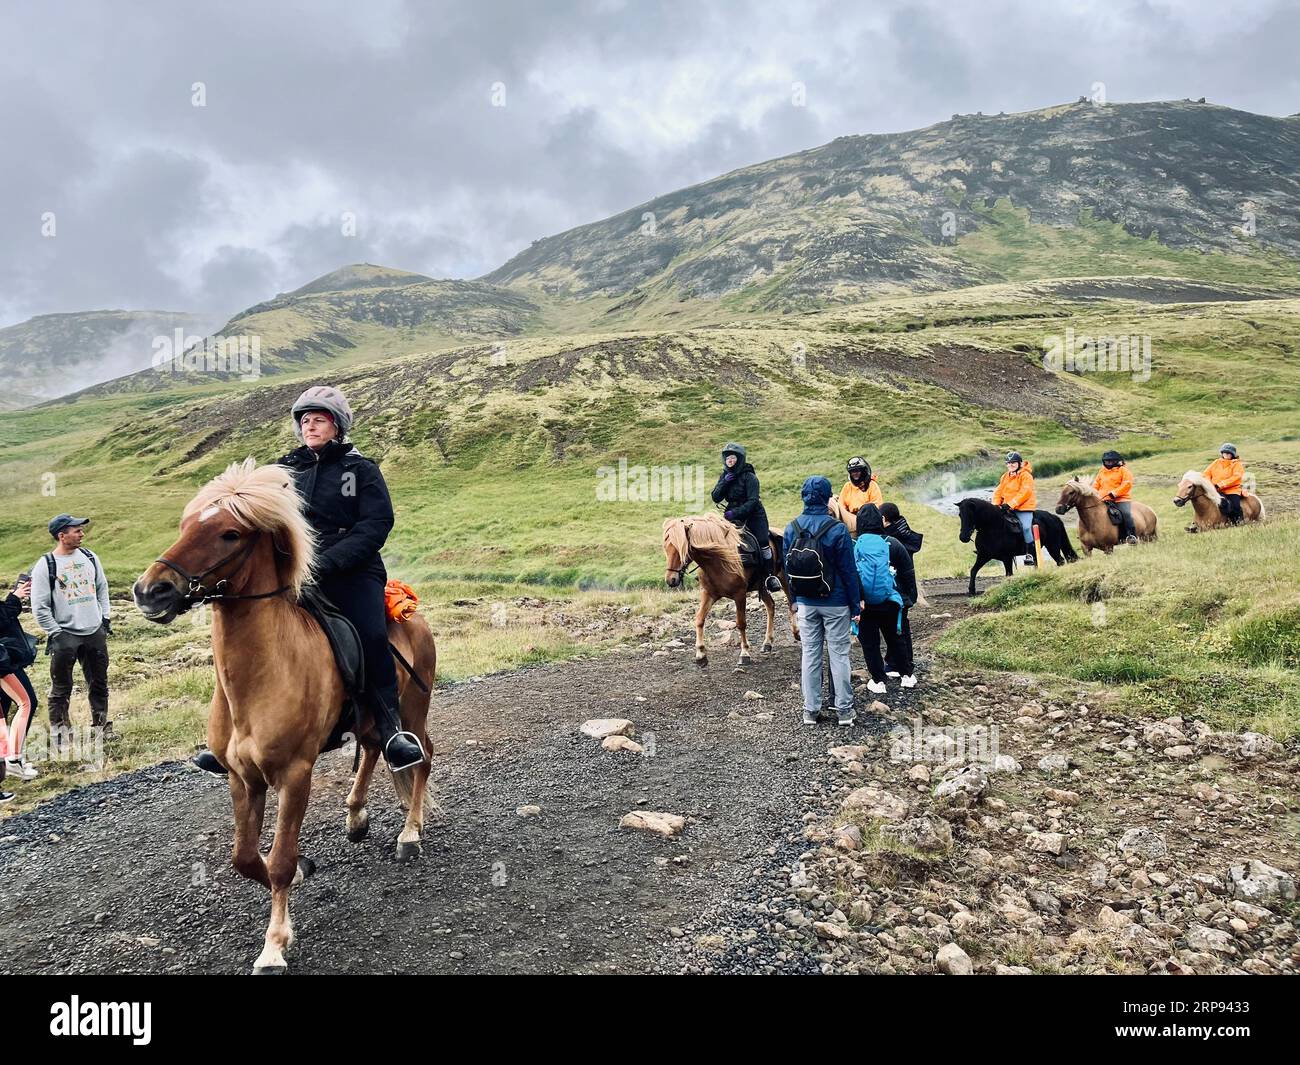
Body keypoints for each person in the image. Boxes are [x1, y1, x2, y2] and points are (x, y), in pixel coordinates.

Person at [194, 386, 424, 777]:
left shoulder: (360, 471)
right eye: (304, 420)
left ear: (337, 426)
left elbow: (374, 525)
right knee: (242, 637)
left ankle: (390, 730)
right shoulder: (284, 472)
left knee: (370, 635)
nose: (309, 426)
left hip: (352, 573)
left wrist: (325, 563)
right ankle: (227, 737)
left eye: (318, 419)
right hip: (291, 576)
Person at [782, 477, 861, 726]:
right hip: (835, 601)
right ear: (828, 498)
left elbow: (786, 569)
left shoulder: (790, 528)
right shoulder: (837, 529)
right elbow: (849, 570)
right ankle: (844, 711)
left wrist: (793, 600)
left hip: (805, 602)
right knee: (839, 655)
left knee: (810, 654)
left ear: (804, 497)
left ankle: (810, 710)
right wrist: (855, 601)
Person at [31, 515, 112, 746]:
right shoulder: (46, 564)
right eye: (76, 530)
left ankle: (102, 727)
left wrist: (104, 619)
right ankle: (61, 734)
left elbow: (102, 588)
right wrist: (55, 632)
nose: (81, 534)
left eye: (80, 530)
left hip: (94, 631)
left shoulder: (90, 557)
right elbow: (39, 605)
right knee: (61, 687)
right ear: (61, 535)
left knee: (99, 682)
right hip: (65, 635)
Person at [853, 505, 918, 693]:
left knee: (870, 644)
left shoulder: (854, 544)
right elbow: (908, 573)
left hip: (865, 605)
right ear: (880, 521)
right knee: (896, 639)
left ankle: (878, 681)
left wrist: (855, 601)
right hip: (890, 601)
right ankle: (907, 676)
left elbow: (850, 576)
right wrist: (908, 600)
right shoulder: (893, 543)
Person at [711, 442, 782, 593]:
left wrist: (734, 513)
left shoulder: (750, 477)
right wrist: (724, 482)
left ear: (740, 459)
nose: (730, 461)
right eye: (728, 458)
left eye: (733, 458)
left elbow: (752, 501)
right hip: (731, 513)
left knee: (763, 542)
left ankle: (770, 577)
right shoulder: (725, 476)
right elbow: (716, 497)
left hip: (754, 514)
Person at [0, 573, 39, 780]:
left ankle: (8, 760)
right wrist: (15, 597)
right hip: (2, 663)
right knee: (27, 702)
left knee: (4, 708)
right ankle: (13, 760)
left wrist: (15, 597)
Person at [879, 502, 922, 678]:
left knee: (899, 628)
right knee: (899, 626)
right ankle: (895, 660)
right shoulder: (903, 532)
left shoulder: (892, 540)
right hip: (905, 589)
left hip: (898, 590)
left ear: (884, 520)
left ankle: (901, 664)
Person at [992, 451, 1038, 565]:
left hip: (1024, 508)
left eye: (1013, 463)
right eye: (1008, 463)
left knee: (1026, 528)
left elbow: (1025, 492)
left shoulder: (1026, 475)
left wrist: (1011, 504)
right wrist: (995, 506)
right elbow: (998, 492)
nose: (1010, 465)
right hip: (1008, 508)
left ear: (1019, 463)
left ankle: (1030, 554)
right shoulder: (1005, 476)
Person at [1093, 450, 1138, 544]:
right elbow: (1096, 484)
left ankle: (1131, 535)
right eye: (1106, 461)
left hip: (1121, 499)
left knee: (1126, 513)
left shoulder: (1123, 470)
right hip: (1103, 499)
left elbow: (1127, 484)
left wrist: (1115, 493)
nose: (1108, 463)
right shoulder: (1102, 471)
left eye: (1111, 461)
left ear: (1116, 461)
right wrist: (1093, 493)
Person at [1204, 443, 1246, 525]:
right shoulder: (1216, 462)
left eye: (1228, 453)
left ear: (1232, 454)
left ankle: (1238, 521)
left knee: (1235, 505)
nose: (1226, 454)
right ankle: (1199, 522)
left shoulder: (1237, 464)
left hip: (1232, 490)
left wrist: (1220, 484)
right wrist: (1210, 484)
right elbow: (1206, 473)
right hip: (1216, 489)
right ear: (1222, 453)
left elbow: (1236, 477)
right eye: (1224, 452)